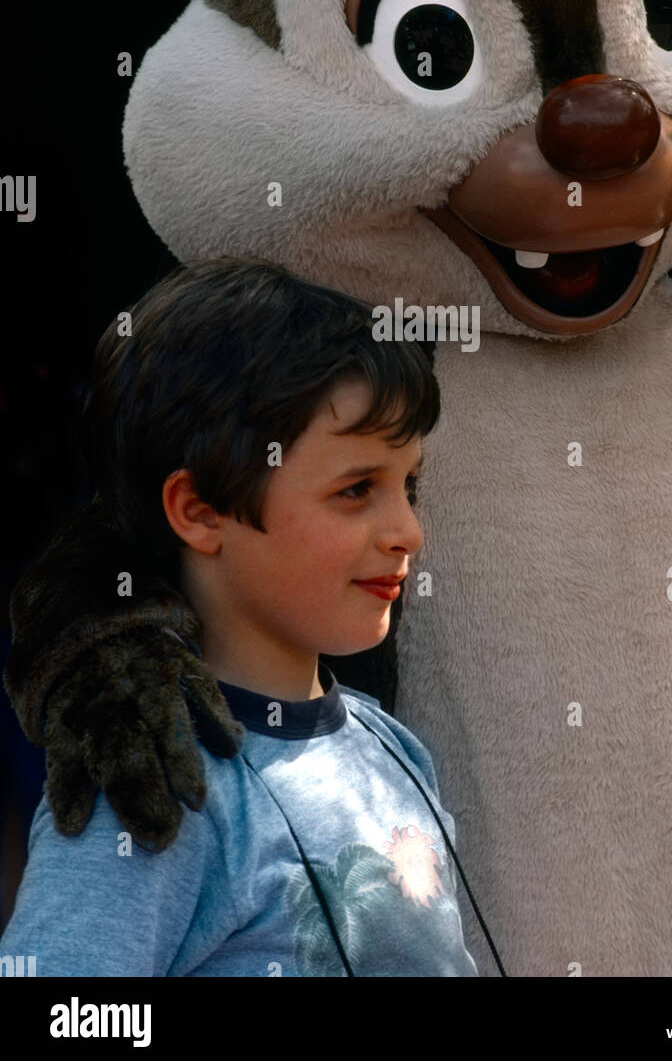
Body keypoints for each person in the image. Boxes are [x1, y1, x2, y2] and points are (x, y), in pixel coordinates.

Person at [1, 259, 496, 977]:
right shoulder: (155, 792)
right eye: (356, 488)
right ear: (199, 511)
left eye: (407, 484)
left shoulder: (394, 747)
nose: (407, 531)